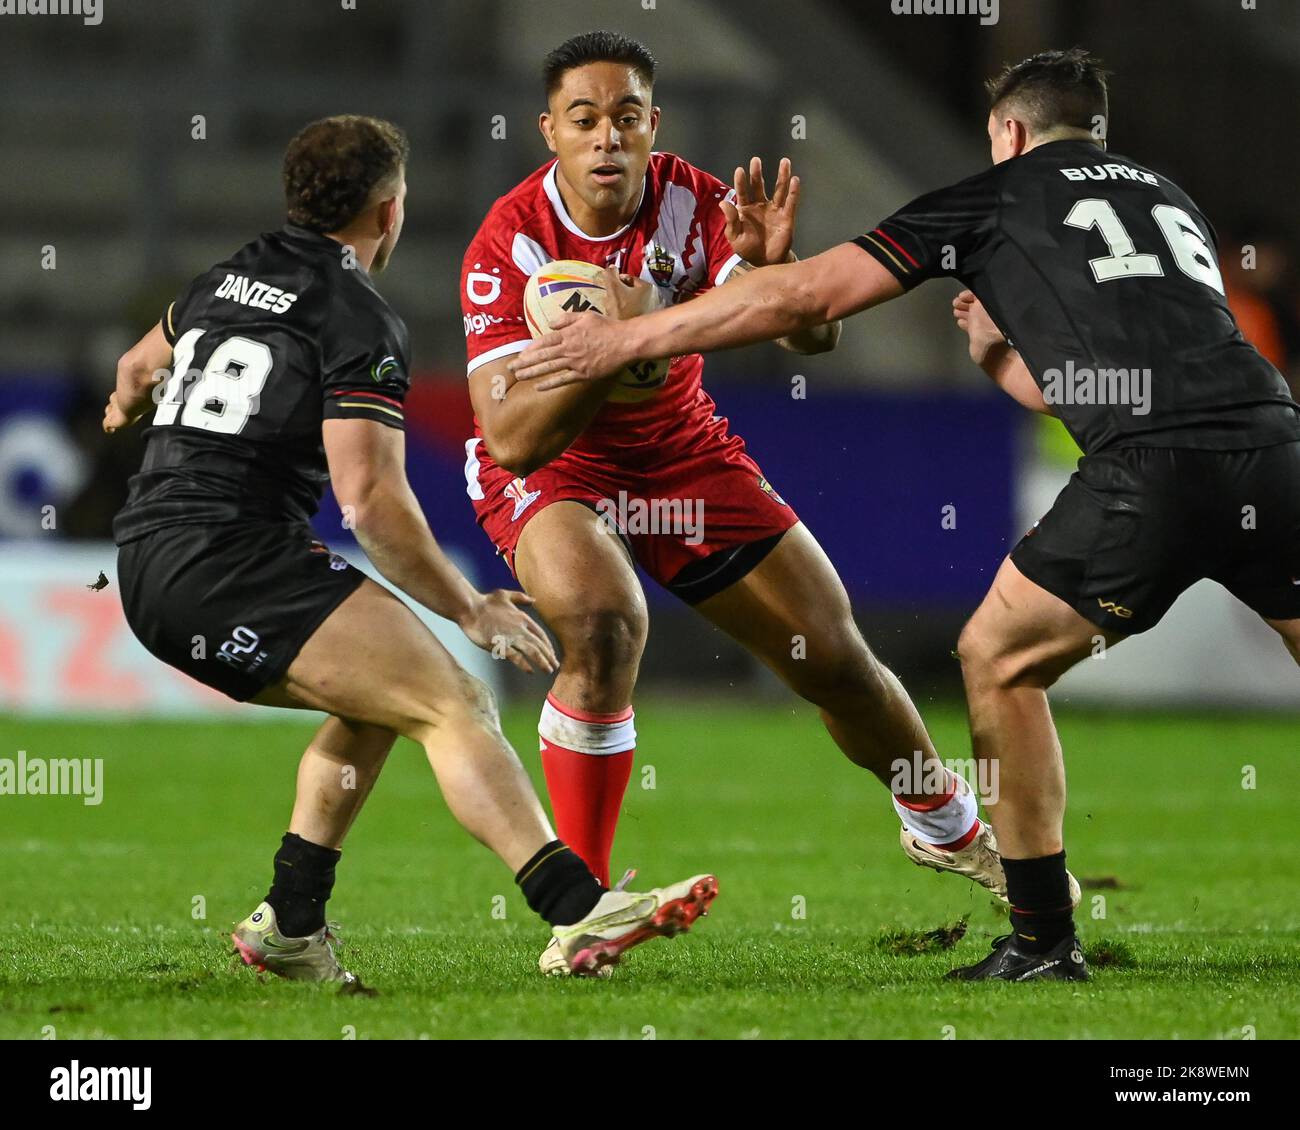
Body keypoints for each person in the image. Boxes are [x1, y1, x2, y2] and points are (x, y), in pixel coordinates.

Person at [512, 48, 1300, 982]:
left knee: (999, 661)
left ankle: (1043, 940)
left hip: (1150, 476)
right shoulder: (1169, 200)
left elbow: (808, 299)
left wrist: (619, 340)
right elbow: (1127, 376)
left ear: (1007, 133)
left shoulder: (992, 198)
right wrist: (1002, 367)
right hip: (1276, 449)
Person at [104, 114, 716, 987]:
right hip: (230, 564)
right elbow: (370, 503)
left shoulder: (225, 277)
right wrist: (468, 606)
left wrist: (127, 405)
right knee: (451, 701)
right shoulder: (358, 317)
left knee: (379, 700)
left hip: (149, 559)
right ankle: (579, 911)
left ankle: (291, 922)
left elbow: (137, 363)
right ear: (389, 212)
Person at [462, 30, 1023, 975]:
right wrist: (618, 347)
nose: (608, 141)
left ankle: (945, 823)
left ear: (654, 126)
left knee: (836, 661)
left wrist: (779, 275)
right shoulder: (508, 241)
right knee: (601, 625)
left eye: (627, 119)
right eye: (586, 121)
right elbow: (514, 437)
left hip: (682, 453)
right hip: (556, 466)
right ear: (549, 131)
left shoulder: (696, 203)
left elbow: (815, 346)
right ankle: (588, 911)